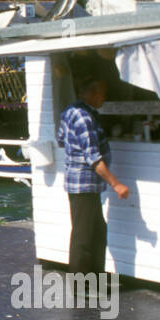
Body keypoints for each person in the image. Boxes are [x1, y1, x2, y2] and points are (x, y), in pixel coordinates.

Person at [57, 74, 129, 277]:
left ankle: (94, 277)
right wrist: (116, 184)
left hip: (82, 182)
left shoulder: (70, 111)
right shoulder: (84, 118)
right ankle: (81, 284)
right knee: (84, 236)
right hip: (84, 183)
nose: (104, 98)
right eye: (103, 93)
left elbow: (61, 139)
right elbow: (94, 158)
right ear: (94, 93)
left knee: (96, 232)